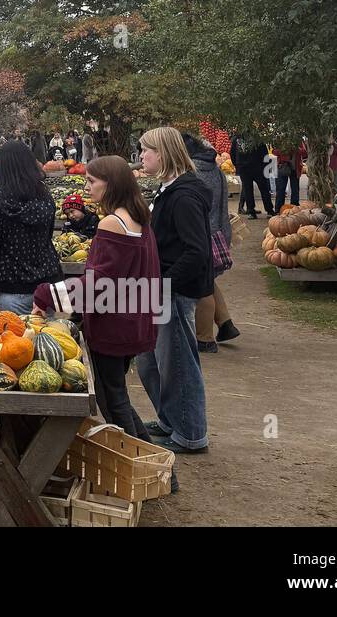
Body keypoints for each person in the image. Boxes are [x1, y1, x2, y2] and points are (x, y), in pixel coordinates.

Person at [34, 156, 161, 451]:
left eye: (92, 181)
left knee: (113, 402)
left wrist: (46, 294)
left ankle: (139, 461)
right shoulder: (137, 218)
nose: (88, 188)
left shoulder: (112, 223)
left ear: (111, 184)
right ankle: (154, 461)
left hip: (113, 324)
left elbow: (97, 285)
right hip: (133, 319)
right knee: (116, 398)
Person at [135, 126, 211, 456]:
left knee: (178, 362)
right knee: (151, 361)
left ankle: (190, 434)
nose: (141, 156)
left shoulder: (184, 195)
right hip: (161, 289)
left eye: (145, 150)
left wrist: (165, 284)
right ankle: (170, 419)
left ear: (163, 154)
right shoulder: (170, 189)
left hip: (173, 291)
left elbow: (197, 251)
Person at [0, 140, 62, 316]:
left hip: (12, 282)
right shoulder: (44, 195)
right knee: (48, 337)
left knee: (18, 340)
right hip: (47, 280)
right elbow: (48, 234)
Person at [185, 133, 239, 353]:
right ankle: (225, 322)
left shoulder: (192, 172)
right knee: (207, 280)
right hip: (216, 230)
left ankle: (204, 337)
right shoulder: (214, 169)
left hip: (200, 233)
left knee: (202, 286)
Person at [232, 130, 274, 220]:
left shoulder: (237, 139)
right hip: (257, 167)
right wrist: (265, 167)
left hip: (244, 168)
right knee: (264, 189)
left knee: (248, 190)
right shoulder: (257, 139)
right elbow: (264, 153)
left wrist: (238, 165)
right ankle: (269, 210)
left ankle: (251, 211)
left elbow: (232, 153)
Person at [273, 138, 304, 210]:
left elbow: (304, 152)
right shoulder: (280, 138)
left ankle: (294, 208)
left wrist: (296, 148)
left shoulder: (298, 139)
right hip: (283, 167)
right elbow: (274, 151)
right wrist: (284, 149)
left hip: (295, 168)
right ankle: (279, 209)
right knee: (281, 189)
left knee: (295, 189)